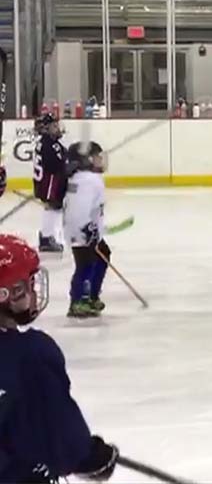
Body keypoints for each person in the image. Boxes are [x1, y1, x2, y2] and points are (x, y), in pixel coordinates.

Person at [0, 233, 121, 483]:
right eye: (24, 287)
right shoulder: (31, 356)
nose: (32, 294)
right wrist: (92, 457)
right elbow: (67, 446)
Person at [62, 141, 109, 319]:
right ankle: (77, 301)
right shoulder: (86, 181)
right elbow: (78, 209)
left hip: (84, 230)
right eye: (96, 156)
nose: (100, 160)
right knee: (85, 265)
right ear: (87, 159)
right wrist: (86, 229)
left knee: (103, 256)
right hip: (81, 232)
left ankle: (91, 295)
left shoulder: (84, 178)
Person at [32, 112, 66, 253]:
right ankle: (46, 238)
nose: (57, 128)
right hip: (50, 182)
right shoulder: (50, 144)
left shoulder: (42, 142)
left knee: (52, 207)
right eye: (54, 126)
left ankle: (46, 236)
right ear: (46, 128)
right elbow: (59, 163)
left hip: (43, 182)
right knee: (53, 206)